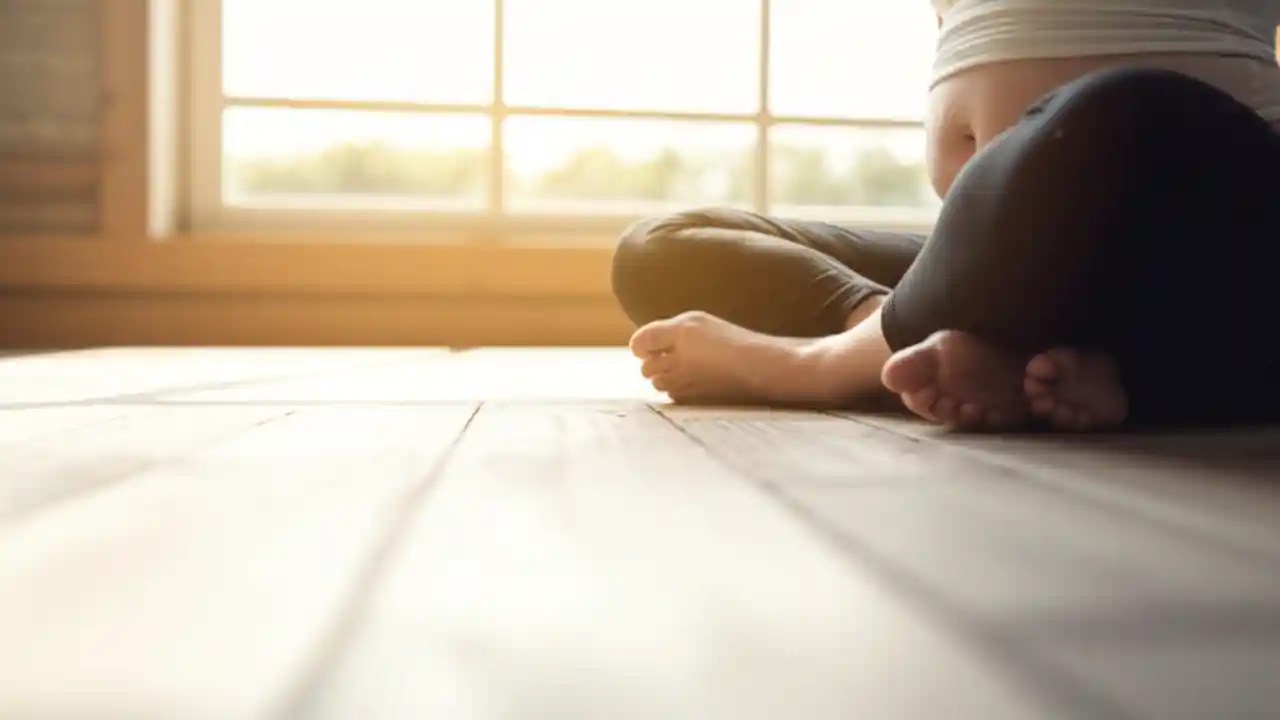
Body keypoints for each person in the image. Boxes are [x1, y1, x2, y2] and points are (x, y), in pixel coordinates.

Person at [611, 0, 1280, 431]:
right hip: (1002, 261)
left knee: (1123, 106)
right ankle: (942, 343)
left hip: (1209, 248)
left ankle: (827, 365)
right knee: (662, 250)